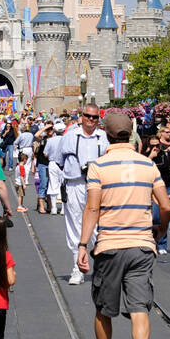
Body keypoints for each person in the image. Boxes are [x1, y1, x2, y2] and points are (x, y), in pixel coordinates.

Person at [77, 111, 170, 339]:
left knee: (104, 309)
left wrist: (82, 245)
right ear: (131, 134)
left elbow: (92, 208)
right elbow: (165, 206)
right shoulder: (148, 166)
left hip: (110, 246)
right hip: (141, 245)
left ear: (105, 134)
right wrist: (159, 232)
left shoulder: (98, 167)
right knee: (140, 308)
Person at [48, 104, 108, 285]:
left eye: (95, 117)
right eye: (88, 116)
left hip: (97, 186)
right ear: (81, 117)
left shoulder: (103, 137)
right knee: (74, 225)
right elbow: (58, 161)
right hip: (75, 184)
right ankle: (77, 268)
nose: (91, 120)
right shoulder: (69, 137)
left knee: (100, 226)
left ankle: (101, 269)